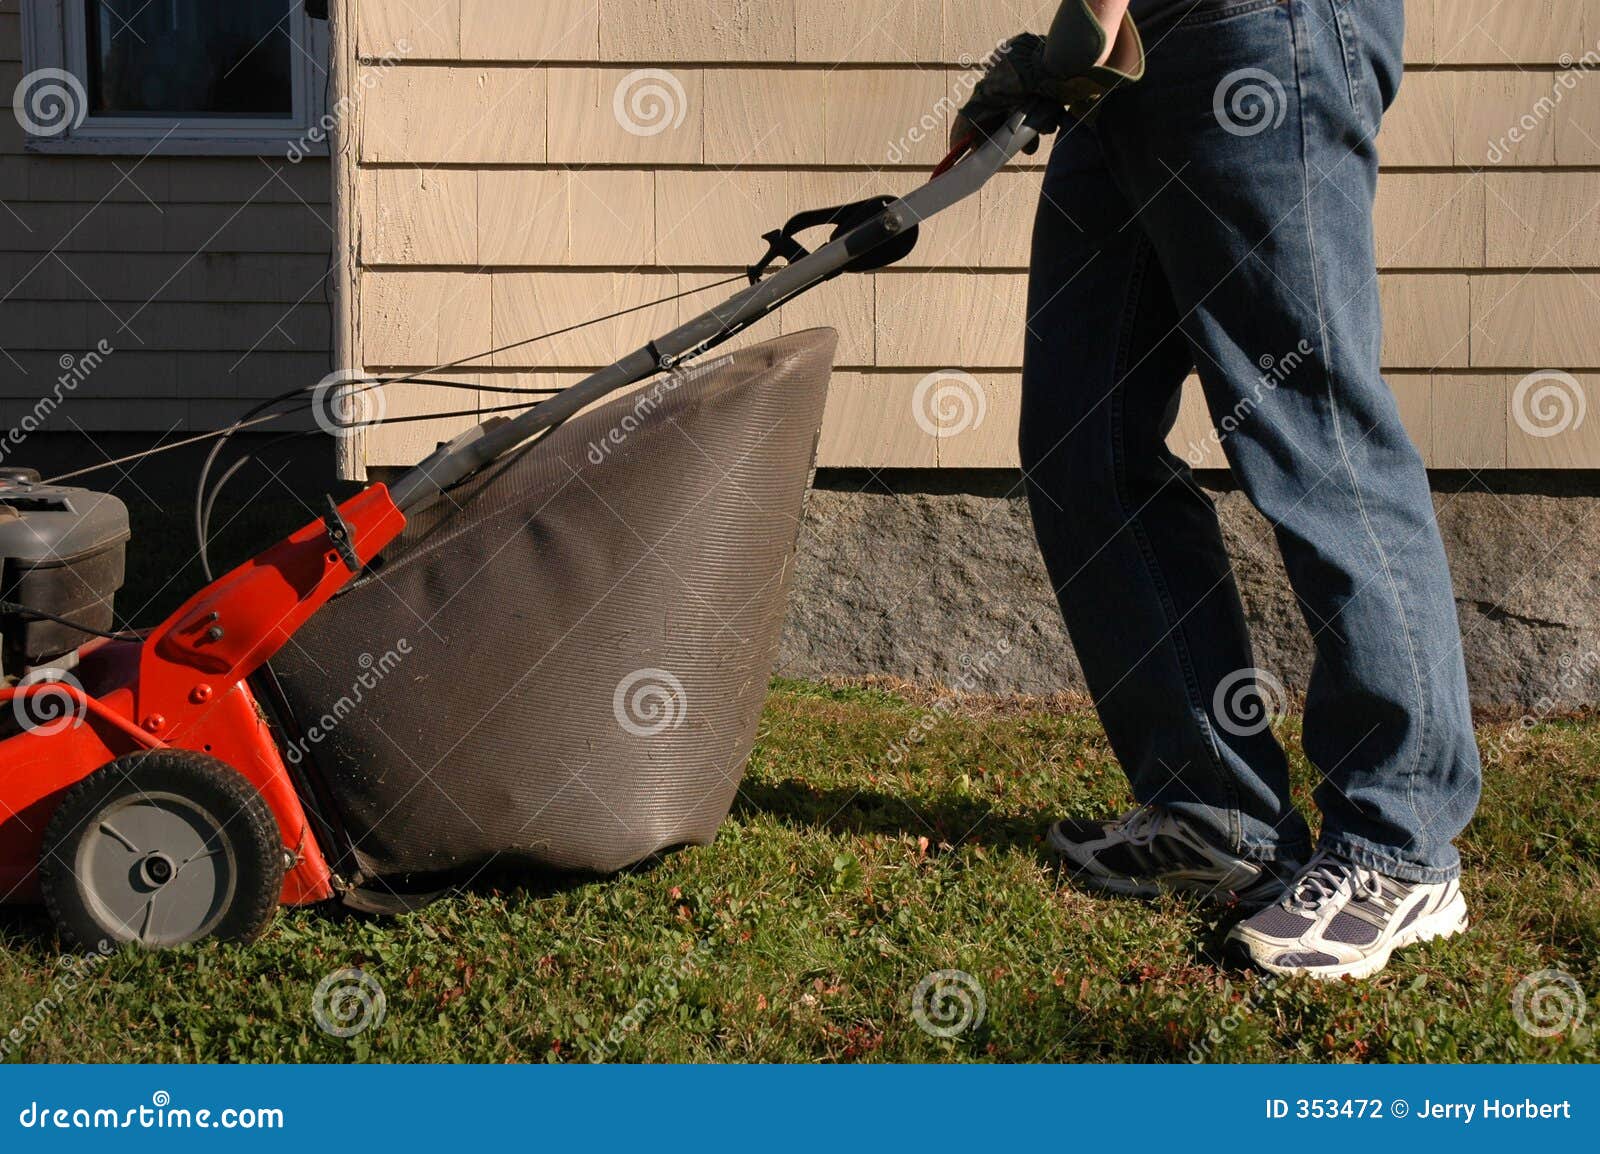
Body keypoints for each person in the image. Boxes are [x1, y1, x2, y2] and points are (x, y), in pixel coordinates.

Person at [956, 0, 1480, 980]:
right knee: (1082, 439)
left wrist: (1085, 21)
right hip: (1128, 55)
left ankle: (1400, 841)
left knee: (1310, 423)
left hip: (1253, 29)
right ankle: (1215, 810)